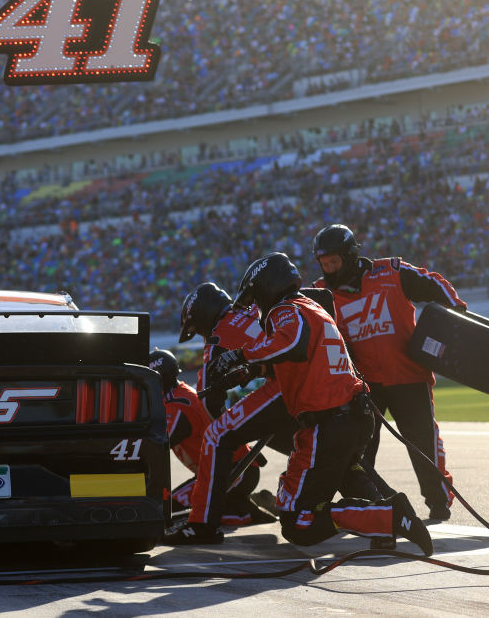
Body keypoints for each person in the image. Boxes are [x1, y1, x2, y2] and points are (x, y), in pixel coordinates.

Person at [198, 253, 433, 555]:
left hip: (328, 422)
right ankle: (388, 520)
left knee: (298, 524)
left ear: (267, 288)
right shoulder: (311, 307)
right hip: (351, 416)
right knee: (349, 474)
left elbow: (292, 342)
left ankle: (388, 517)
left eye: (256, 298)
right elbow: (300, 354)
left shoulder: (285, 310)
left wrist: (241, 355)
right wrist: (249, 371)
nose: (256, 307)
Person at [312, 224, 464, 520]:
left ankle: (438, 500)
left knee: (424, 443)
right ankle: (370, 503)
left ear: (351, 255)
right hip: (364, 388)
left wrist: (456, 312)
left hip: (409, 377)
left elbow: (435, 284)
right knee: (357, 448)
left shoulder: (391, 272)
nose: (329, 269)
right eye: (324, 263)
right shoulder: (320, 294)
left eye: (334, 262)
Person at [148, 348, 274, 537]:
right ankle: (243, 505)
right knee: (172, 506)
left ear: (159, 378)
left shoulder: (178, 404)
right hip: (221, 469)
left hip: (237, 469)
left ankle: (246, 511)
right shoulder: (174, 395)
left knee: (168, 509)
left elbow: (157, 445)